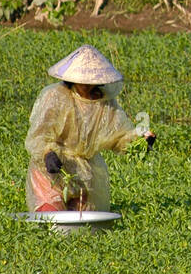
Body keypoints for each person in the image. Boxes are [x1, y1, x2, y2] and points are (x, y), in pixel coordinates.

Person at [24, 45, 155, 212]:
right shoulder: (56, 96)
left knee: (83, 224)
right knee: (51, 217)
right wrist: (47, 153)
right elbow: (39, 135)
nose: (87, 86)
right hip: (52, 168)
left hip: (84, 172)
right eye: (83, 81)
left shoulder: (104, 102)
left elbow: (119, 137)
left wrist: (141, 142)